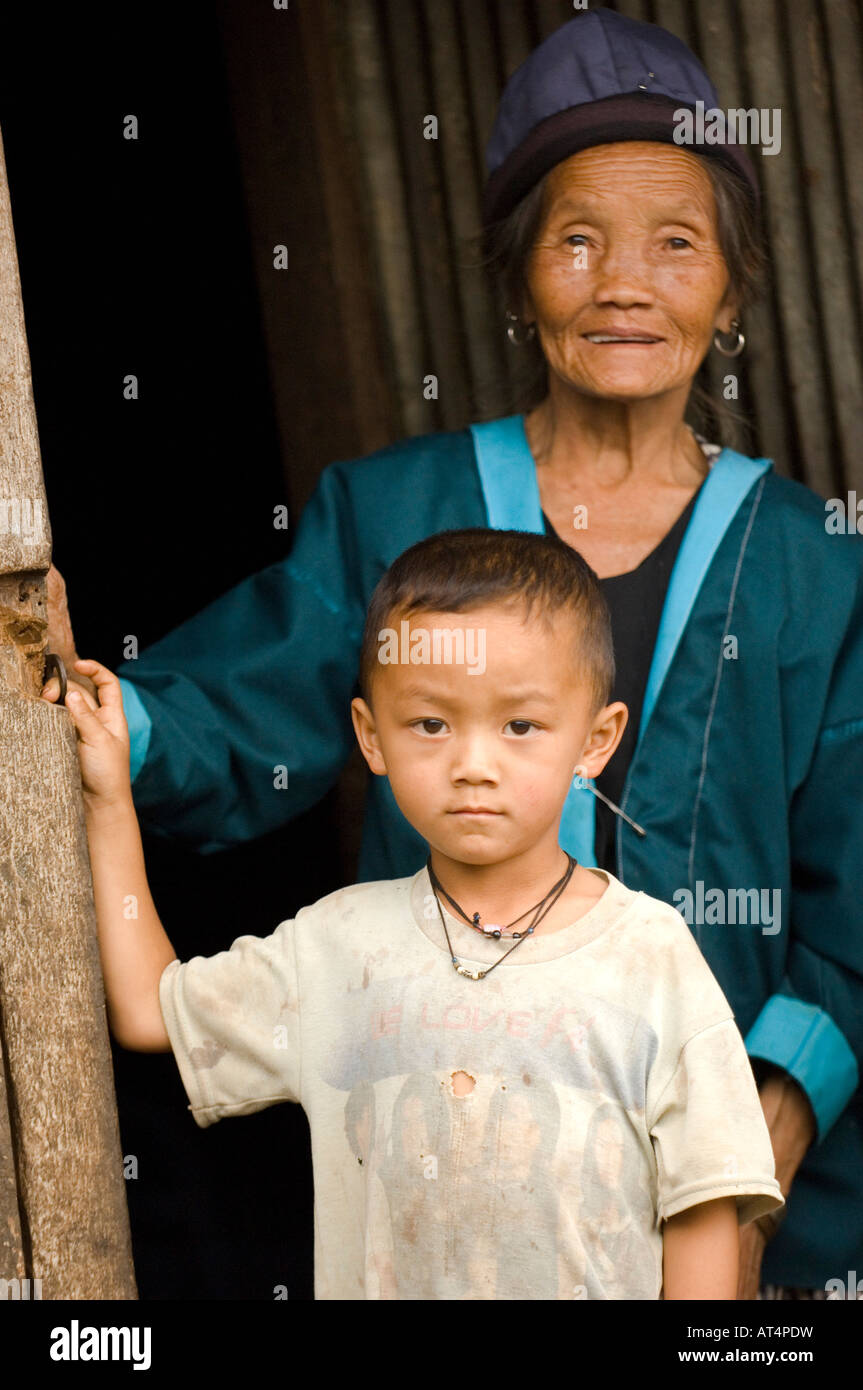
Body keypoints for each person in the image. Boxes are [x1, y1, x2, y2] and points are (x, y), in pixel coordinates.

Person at [44, 8, 863, 1296]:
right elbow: (238, 707)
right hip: (453, 1192)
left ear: (733, 281)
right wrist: (81, 709)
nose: (623, 284)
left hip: (754, 1199)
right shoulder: (393, 514)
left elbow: (852, 903)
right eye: (575, 239)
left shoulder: (820, 564)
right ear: (515, 272)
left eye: (675, 242)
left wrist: (757, 1127)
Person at [50, 528, 784, 1300]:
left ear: (595, 741)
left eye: (520, 726)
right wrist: (107, 800)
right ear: (371, 737)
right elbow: (148, 1011)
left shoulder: (648, 954)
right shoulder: (338, 946)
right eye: (430, 724)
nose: (472, 763)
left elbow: (702, 1204)